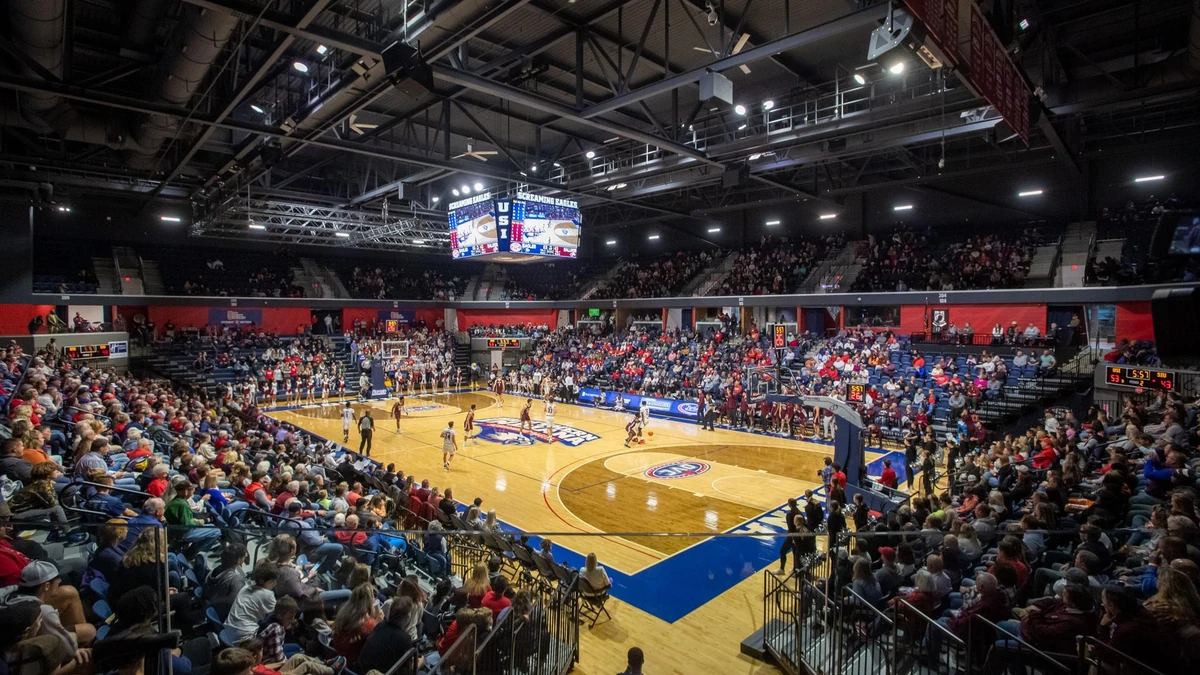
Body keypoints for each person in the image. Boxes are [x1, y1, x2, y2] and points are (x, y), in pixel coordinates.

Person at [357, 597, 420, 674]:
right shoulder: (405, 639)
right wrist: (420, 664)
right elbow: (407, 671)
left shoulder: (380, 625)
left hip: (359, 669)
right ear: (407, 618)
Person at [224, 561, 279, 646]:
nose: (275, 584)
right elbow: (278, 615)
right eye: (272, 582)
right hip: (244, 639)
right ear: (261, 581)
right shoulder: (267, 595)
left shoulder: (245, 587)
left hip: (229, 632)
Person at [331, 584, 381, 667]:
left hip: (337, 658)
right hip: (352, 664)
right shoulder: (369, 624)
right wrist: (378, 623)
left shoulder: (343, 614)